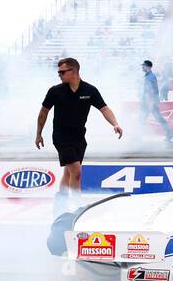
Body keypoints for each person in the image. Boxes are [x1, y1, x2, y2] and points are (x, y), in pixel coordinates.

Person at [36, 58, 122, 215]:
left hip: (79, 138)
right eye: (58, 72)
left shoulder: (89, 90)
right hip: (61, 137)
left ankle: (59, 201)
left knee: (69, 172)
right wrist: (39, 134)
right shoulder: (55, 91)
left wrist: (115, 124)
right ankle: (77, 208)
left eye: (62, 72)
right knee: (76, 171)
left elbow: (104, 109)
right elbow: (43, 112)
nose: (59, 75)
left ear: (74, 72)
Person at [140, 60, 173, 141]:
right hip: (150, 101)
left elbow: (150, 91)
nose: (142, 67)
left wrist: (149, 103)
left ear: (148, 67)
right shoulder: (150, 76)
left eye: (143, 65)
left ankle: (137, 137)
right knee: (155, 118)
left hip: (149, 102)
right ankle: (169, 133)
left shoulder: (149, 77)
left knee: (142, 119)